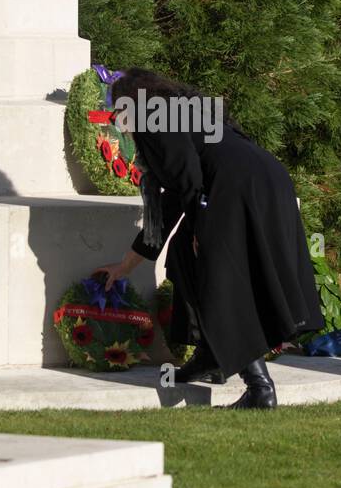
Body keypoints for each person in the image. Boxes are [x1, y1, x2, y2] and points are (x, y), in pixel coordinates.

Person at [98, 67, 325, 409]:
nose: (120, 124)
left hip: (236, 188)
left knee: (221, 280)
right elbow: (173, 199)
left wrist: (201, 226)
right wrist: (127, 265)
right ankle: (210, 357)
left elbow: (187, 176)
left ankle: (260, 387)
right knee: (184, 259)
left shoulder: (156, 124)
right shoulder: (178, 115)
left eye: (119, 113)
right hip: (265, 179)